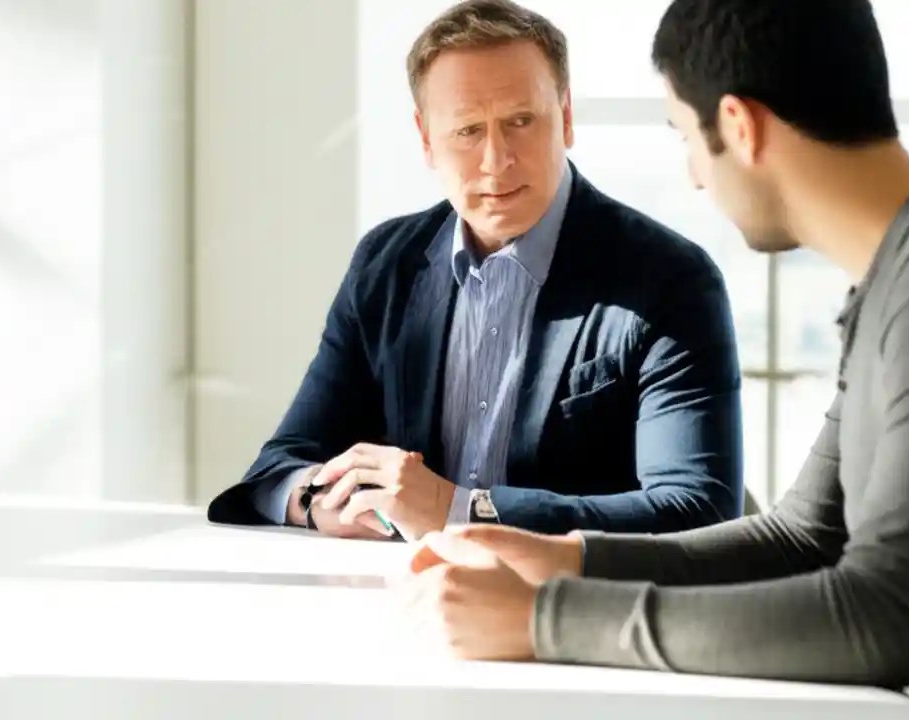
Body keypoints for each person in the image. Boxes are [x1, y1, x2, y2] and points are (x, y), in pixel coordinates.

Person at [402, 2, 909, 719]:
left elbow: (883, 618)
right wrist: (570, 558)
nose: (695, 177)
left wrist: (544, 620)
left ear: (739, 128)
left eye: (687, 137)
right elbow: (800, 537)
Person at [207, 0, 743, 541]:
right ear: (425, 138)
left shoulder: (671, 279)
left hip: (572, 614)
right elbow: (279, 468)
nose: (496, 159)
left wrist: (464, 510)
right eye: (467, 130)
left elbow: (697, 511)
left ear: (567, 117)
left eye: (520, 121)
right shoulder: (385, 264)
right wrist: (319, 501)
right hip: (394, 600)